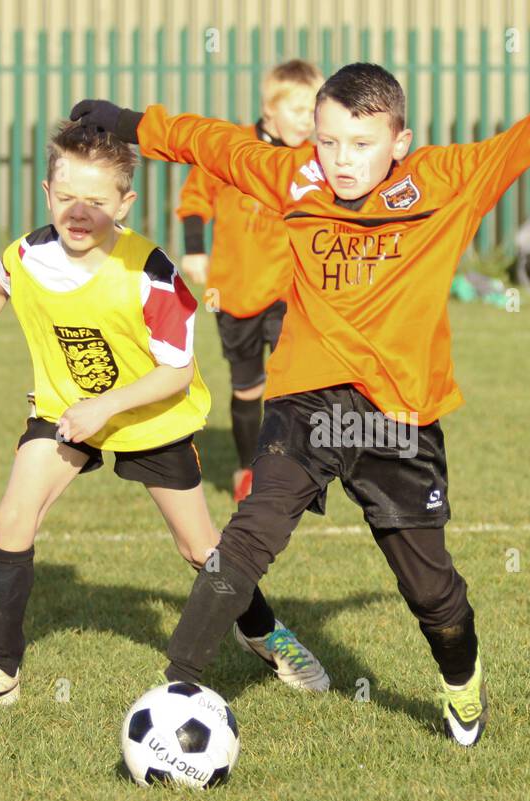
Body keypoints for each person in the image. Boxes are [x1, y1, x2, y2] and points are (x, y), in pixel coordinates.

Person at [70, 64, 530, 745]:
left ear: (401, 141)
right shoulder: (294, 176)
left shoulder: (446, 180)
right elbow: (206, 142)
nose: (340, 160)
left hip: (398, 414)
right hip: (307, 395)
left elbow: (523, 140)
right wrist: (126, 121)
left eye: (360, 144)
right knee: (251, 531)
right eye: (328, 141)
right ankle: (177, 687)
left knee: (430, 591)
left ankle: (462, 680)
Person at [0, 121, 328, 709]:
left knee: (199, 549)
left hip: (149, 416)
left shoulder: (152, 274)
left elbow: (177, 372)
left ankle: (267, 633)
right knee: (13, 518)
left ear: (125, 202)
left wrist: (106, 408)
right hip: (66, 410)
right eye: (65, 198)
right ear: (46, 193)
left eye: (96, 201)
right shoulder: (29, 254)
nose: (78, 212)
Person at [177, 60, 324, 503]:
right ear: (270, 108)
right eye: (300, 110)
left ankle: (294, 469)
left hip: (288, 294)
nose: (309, 121)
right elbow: (194, 198)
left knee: (293, 384)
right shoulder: (232, 146)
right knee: (247, 387)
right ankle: (246, 470)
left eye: (314, 111)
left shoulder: (315, 160)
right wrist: (195, 248)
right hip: (235, 292)